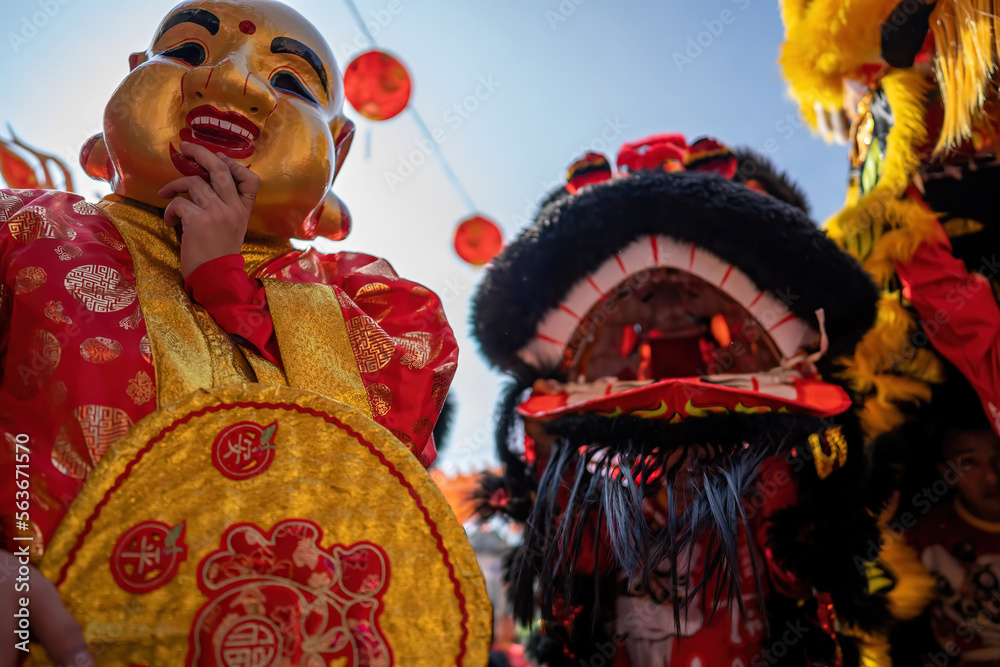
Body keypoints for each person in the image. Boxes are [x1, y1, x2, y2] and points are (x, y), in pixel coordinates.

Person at [0, 1, 457, 663]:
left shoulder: (382, 308)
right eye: (187, 54)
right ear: (132, 77)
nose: (235, 82)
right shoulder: (25, 234)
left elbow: (370, 471)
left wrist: (230, 285)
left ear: (341, 143)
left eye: (291, 84)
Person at [905, 396, 1000, 665]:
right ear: (947, 473)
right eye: (969, 462)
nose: (991, 475)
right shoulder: (926, 532)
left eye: (999, 455)